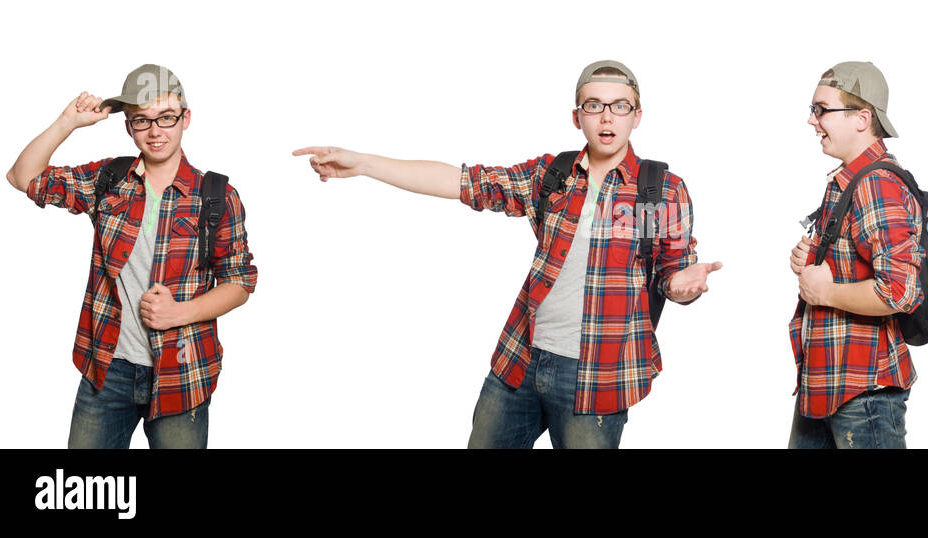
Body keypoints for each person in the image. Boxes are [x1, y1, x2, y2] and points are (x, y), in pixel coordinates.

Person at [294, 60, 721, 448]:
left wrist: (683, 287)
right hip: (521, 359)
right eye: (593, 105)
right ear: (577, 117)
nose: (607, 116)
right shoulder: (552, 175)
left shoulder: (658, 190)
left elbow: (672, 273)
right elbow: (463, 182)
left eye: (620, 106)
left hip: (598, 377)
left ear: (637, 116)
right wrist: (365, 164)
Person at [5, 64, 257, 448]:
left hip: (182, 374)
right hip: (106, 372)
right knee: (88, 494)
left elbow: (240, 282)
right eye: (142, 121)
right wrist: (66, 122)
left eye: (166, 118)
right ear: (128, 127)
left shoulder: (217, 195)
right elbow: (22, 177)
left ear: (185, 119)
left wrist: (180, 313)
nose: (155, 131)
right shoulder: (109, 180)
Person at [787, 61, 924, 449]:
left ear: (862, 118)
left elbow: (901, 292)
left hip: (862, 394)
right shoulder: (849, 179)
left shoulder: (876, 185)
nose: (813, 121)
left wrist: (825, 292)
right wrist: (810, 260)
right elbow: (850, 260)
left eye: (822, 110)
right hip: (827, 381)